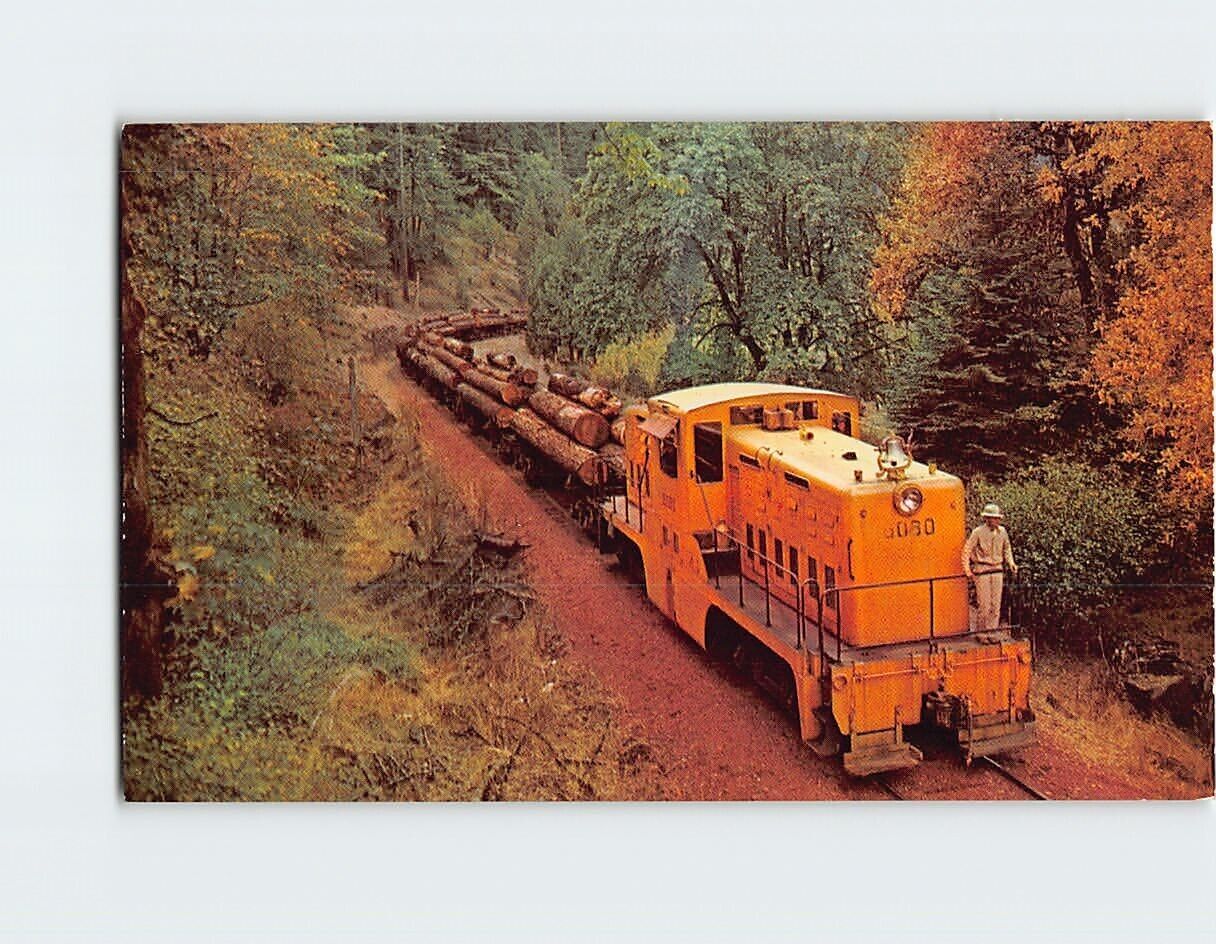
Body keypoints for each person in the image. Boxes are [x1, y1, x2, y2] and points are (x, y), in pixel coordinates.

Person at [963, 503, 1018, 630]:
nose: (997, 520)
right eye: (994, 518)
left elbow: (1007, 549)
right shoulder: (977, 532)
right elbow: (967, 550)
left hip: (997, 570)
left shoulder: (1002, 532)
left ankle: (992, 631)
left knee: (995, 605)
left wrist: (1011, 563)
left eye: (998, 518)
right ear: (987, 518)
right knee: (984, 605)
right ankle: (982, 632)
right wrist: (967, 570)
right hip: (982, 571)